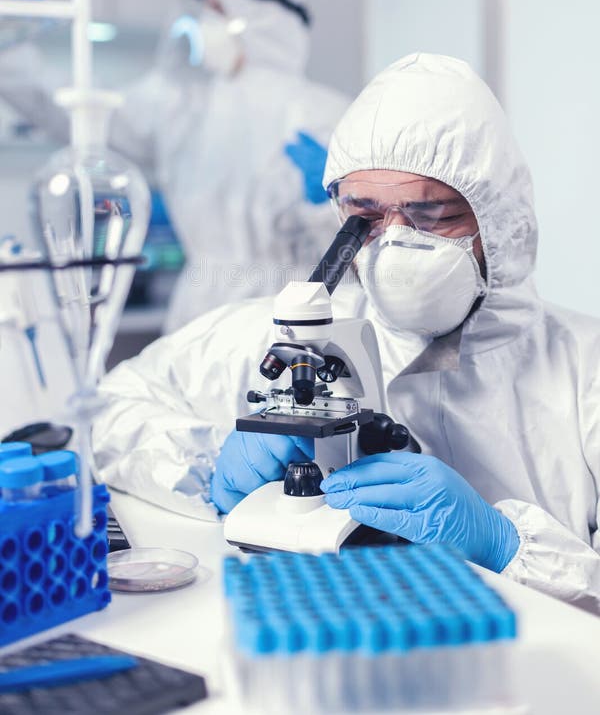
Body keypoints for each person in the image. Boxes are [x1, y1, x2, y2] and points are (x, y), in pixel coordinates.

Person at [93, 52, 600, 613]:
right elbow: (109, 408)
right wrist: (206, 462)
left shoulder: (585, 369)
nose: (396, 243)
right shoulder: (278, 332)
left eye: (432, 217)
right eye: (365, 213)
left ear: (499, 220)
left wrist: (505, 546)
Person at [0, 0, 350, 332]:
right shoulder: (179, 106)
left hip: (291, 304)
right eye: (202, 9)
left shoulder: (325, 114)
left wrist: (330, 208)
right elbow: (74, 109)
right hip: (198, 308)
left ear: (266, 16)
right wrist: (8, 50)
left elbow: (363, 240)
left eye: (218, 9)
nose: (204, 23)